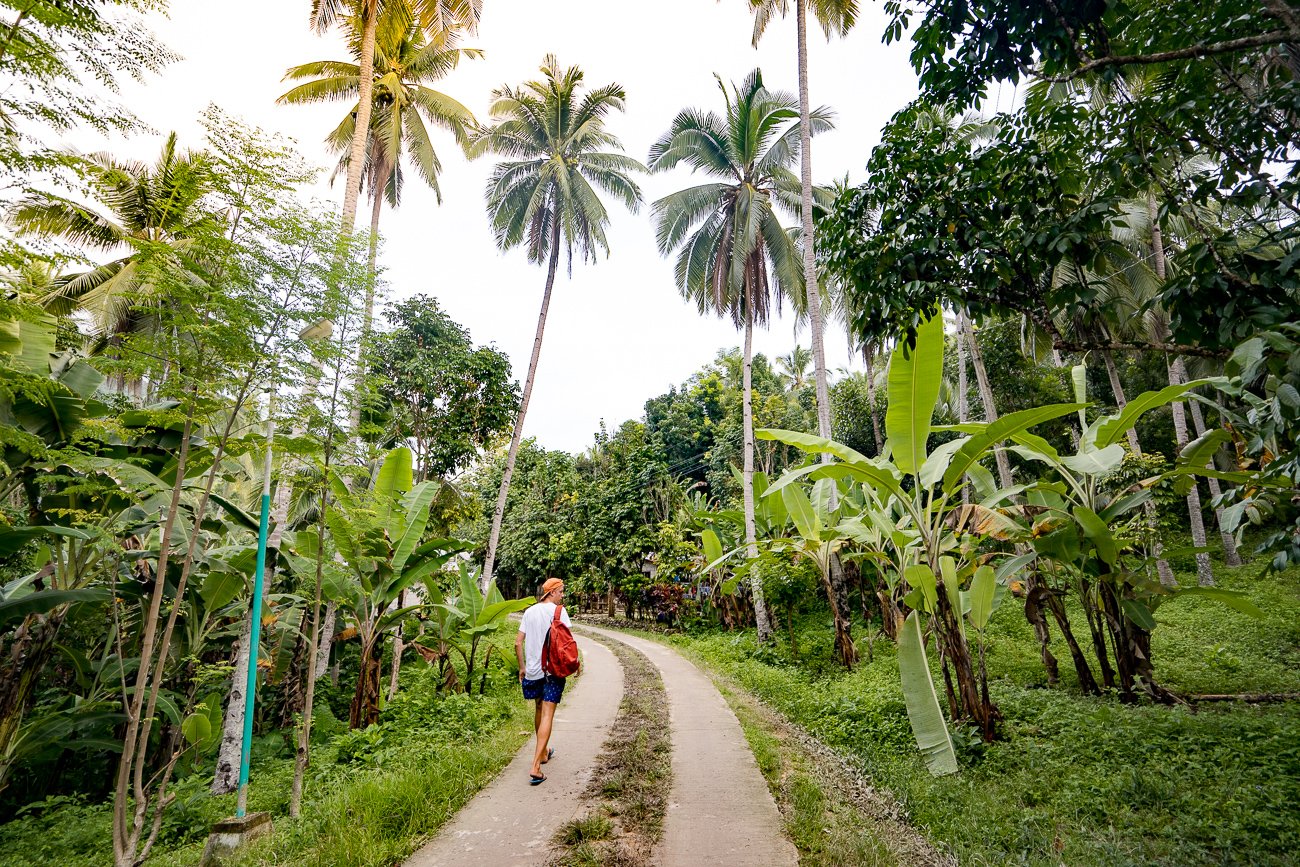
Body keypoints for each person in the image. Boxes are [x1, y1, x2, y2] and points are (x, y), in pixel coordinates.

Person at [515, 577, 578, 785]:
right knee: (548, 714)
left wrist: (522, 667)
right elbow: (568, 641)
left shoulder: (530, 612)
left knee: (539, 710)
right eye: (560, 592)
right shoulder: (559, 612)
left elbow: (518, 643)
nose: (562, 596)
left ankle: (543, 753)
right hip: (553, 670)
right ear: (551, 592)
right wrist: (576, 664)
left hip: (533, 671)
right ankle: (535, 766)